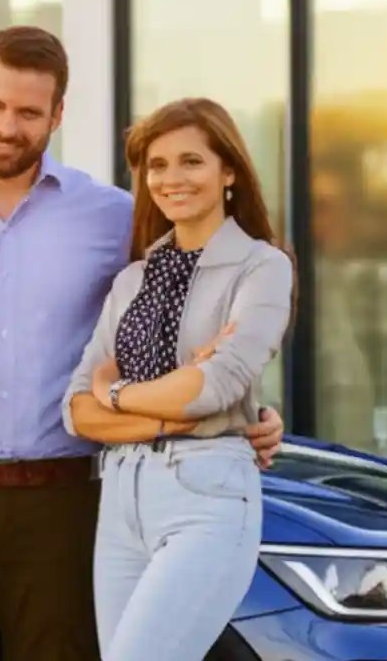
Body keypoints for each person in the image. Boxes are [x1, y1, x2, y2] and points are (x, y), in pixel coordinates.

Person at [0, 27, 286, 661]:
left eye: (28, 112)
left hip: (67, 503)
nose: (7, 126)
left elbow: (187, 316)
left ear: (56, 116)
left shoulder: (112, 217)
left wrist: (247, 410)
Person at [64, 97, 295, 661]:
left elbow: (215, 389)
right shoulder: (132, 281)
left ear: (229, 171)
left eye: (191, 161)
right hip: (121, 498)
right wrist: (168, 407)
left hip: (206, 494)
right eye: (157, 165)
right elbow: (75, 410)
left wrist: (115, 394)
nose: (171, 179)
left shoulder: (261, 267)